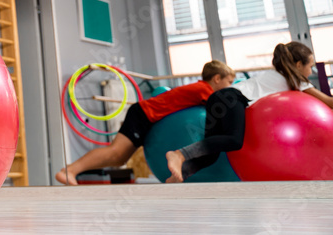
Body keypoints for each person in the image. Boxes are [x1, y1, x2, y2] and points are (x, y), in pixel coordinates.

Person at [165, 41, 333, 183]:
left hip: (219, 97)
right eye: (310, 66)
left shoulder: (278, 74)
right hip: (232, 98)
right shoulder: (296, 79)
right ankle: (179, 154)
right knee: (234, 141)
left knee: (211, 155)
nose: (311, 71)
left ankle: (179, 174)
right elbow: (328, 102)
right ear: (298, 65)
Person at [55, 60, 235, 186]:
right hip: (143, 114)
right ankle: (69, 171)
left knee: (119, 159)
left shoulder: (199, 89)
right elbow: (222, 107)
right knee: (116, 153)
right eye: (229, 82)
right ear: (217, 79)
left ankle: (71, 170)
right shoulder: (204, 89)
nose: (230, 87)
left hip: (146, 118)